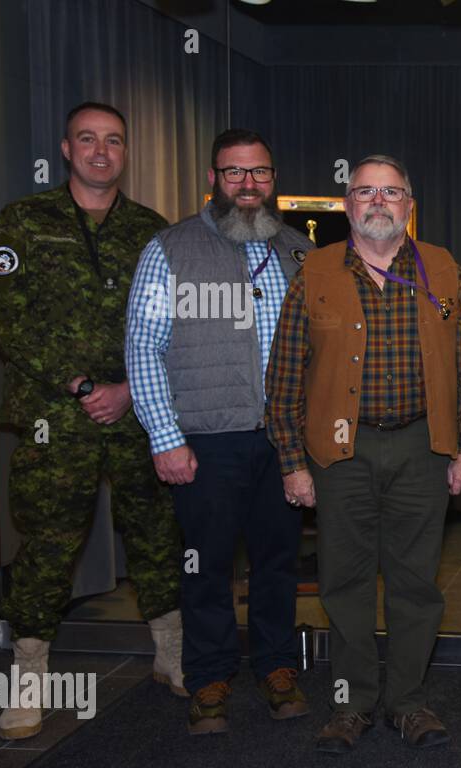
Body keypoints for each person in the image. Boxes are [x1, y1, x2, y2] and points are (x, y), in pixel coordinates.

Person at [266, 154, 461, 754]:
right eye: (365, 192)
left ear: (410, 205)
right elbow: (284, 377)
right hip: (341, 450)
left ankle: (408, 702)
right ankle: (352, 703)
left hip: (422, 447)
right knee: (345, 582)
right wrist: (291, 461)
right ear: (347, 205)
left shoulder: (443, 269)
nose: (378, 201)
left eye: (391, 192)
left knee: (417, 584)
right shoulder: (314, 272)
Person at [0, 102, 182, 740]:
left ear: (124, 152)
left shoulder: (152, 232)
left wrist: (129, 390)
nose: (101, 151)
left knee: (157, 534)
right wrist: (80, 386)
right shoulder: (22, 221)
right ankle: (30, 675)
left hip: (138, 411)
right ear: (67, 149)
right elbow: (7, 320)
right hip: (56, 417)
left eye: (113, 141)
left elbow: (172, 325)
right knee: (47, 547)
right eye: (88, 140)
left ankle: (170, 655)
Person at [127, 128, 313, 735]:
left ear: (273, 180)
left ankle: (278, 668)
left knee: (279, 562)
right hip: (206, 441)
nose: (248, 184)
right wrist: (164, 437)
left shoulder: (297, 251)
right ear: (213, 180)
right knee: (204, 567)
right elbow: (142, 348)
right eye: (234, 173)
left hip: (284, 440)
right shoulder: (171, 248)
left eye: (258, 173)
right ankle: (208, 679)